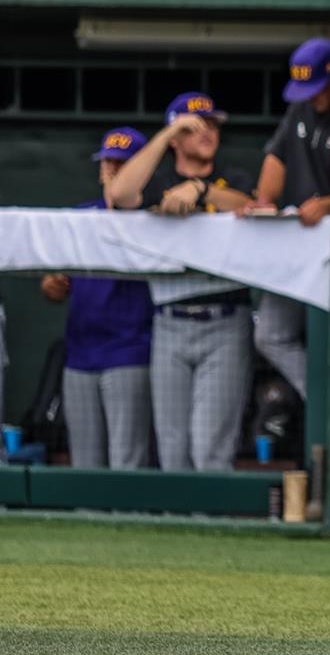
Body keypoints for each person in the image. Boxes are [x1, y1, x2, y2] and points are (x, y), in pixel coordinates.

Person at [106, 93, 257, 472]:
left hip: (225, 318)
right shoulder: (159, 181)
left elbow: (251, 205)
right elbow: (120, 194)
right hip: (169, 321)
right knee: (172, 451)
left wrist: (201, 190)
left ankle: (214, 513)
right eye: (194, 127)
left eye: (213, 125)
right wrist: (166, 134)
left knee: (210, 452)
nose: (207, 132)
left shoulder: (234, 177)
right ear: (175, 138)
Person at [39, 128, 156, 470]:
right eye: (108, 162)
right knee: (85, 463)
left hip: (129, 352)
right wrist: (51, 285)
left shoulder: (150, 219)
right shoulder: (80, 217)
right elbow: (52, 280)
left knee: (127, 463)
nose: (113, 170)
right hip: (80, 354)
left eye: (124, 163)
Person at [242, 38, 330, 403]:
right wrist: (263, 202)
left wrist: (329, 204)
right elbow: (274, 164)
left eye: (318, 89)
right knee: (270, 334)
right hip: (297, 242)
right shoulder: (300, 109)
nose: (312, 98)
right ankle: (322, 402)